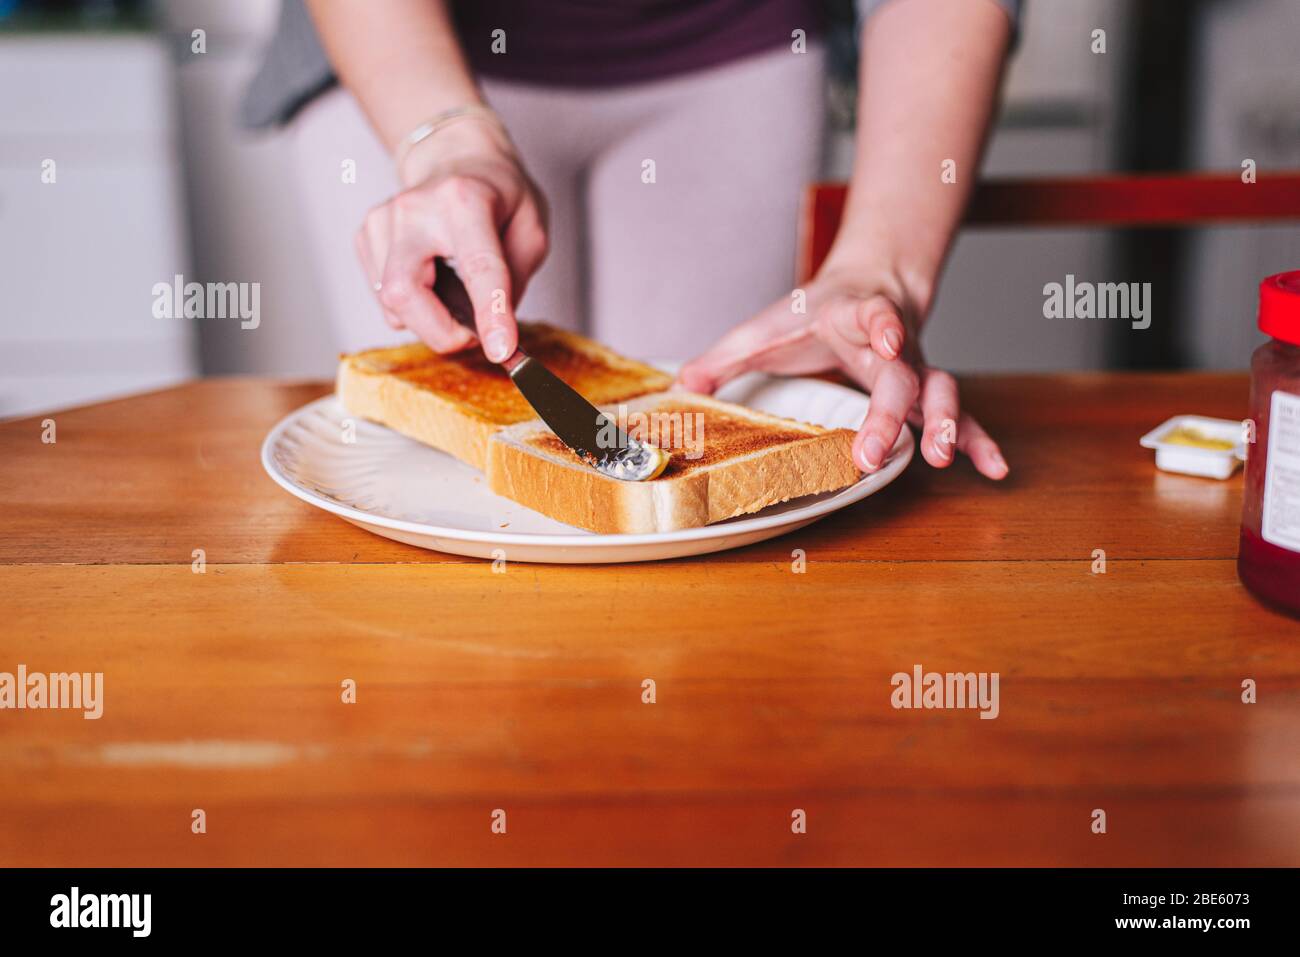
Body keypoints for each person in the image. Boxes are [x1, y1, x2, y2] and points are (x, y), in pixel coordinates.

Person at [244, 0, 1015, 478]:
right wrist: (447, 142)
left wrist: (881, 268)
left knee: (697, 471)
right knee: (435, 474)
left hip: (733, 44)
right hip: (415, 46)